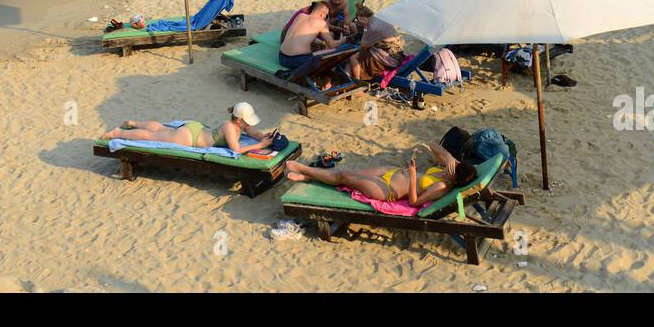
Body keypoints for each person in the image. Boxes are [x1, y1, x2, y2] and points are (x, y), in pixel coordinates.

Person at [285, 142, 477, 206]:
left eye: (451, 169)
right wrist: (450, 157)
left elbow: (414, 202)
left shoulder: (442, 186)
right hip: (390, 172)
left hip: (387, 190)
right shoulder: (449, 170)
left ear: (454, 177)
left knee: (343, 176)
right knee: (350, 173)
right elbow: (433, 144)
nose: (447, 168)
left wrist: (411, 175)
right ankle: (310, 177)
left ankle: (304, 169)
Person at [101, 102, 276, 153]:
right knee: (152, 137)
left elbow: (254, 133)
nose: (249, 124)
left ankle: (133, 123)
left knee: (161, 129)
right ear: (239, 119)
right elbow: (236, 149)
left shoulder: (241, 125)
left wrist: (263, 137)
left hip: (195, 129)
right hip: (189, 138)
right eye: (247, 121)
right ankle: (119, 132)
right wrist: (259, 146)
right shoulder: (230, 127)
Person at [279, 1, 339, 70]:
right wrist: (346, 39)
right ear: (322, 14)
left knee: (317, 51)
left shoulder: (300, 16)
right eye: (327, 16)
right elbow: (332, 45)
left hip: (282, 57)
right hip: (297, 60)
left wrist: (322, 42)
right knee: (332, 51)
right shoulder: (321, 23)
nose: (326, 19)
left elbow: (302, 37)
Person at [343, 16, 406, 82]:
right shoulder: (390, 30)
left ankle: (357, 79)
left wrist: (366, 30)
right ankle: (347, 82)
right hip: (388, 59)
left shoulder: (382, 31)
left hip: (381, 60)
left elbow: (363, 46)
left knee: (352, 55)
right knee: (349, 63)